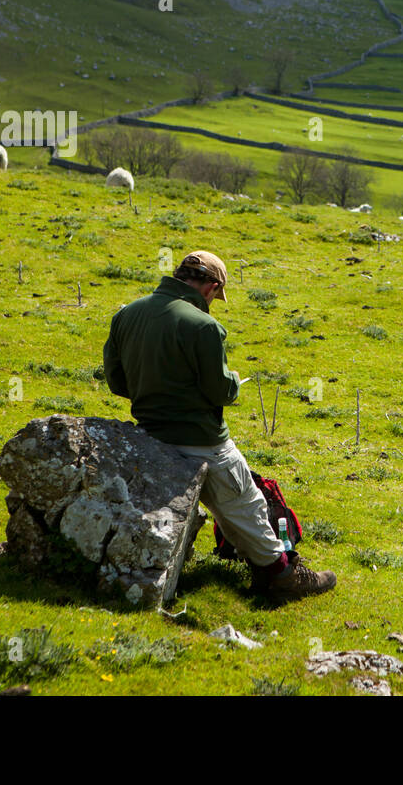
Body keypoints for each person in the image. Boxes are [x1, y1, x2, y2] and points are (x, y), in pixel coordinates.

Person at [103, 250, 336, 600]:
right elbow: (219, 391)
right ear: (211, 287)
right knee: (247, 502)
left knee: (234, 505)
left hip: (149, 436)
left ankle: (263, 567)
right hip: (201, 439)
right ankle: (282, 574)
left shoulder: (127, 315)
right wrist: (232, 381)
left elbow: (117, 383)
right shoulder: (204, 327)